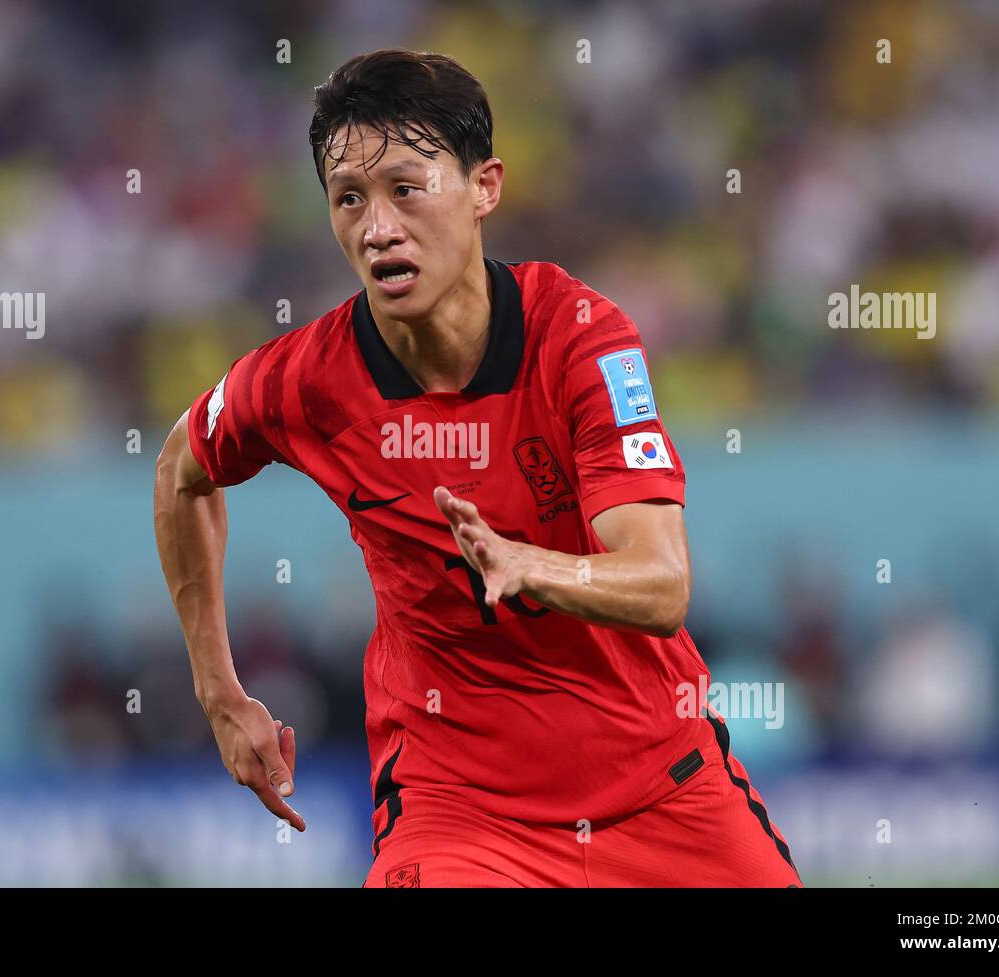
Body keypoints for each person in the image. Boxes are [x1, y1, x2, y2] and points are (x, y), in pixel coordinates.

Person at [153, 49, 800, 887]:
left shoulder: (580, 339)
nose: (376, 227)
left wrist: (534, 565)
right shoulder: (306, 379)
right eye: (348, 198)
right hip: (460, 814)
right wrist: (219, 691)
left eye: (405, 189)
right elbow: (180, 473)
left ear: (485, 187)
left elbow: (662, 582)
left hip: (661, 790)